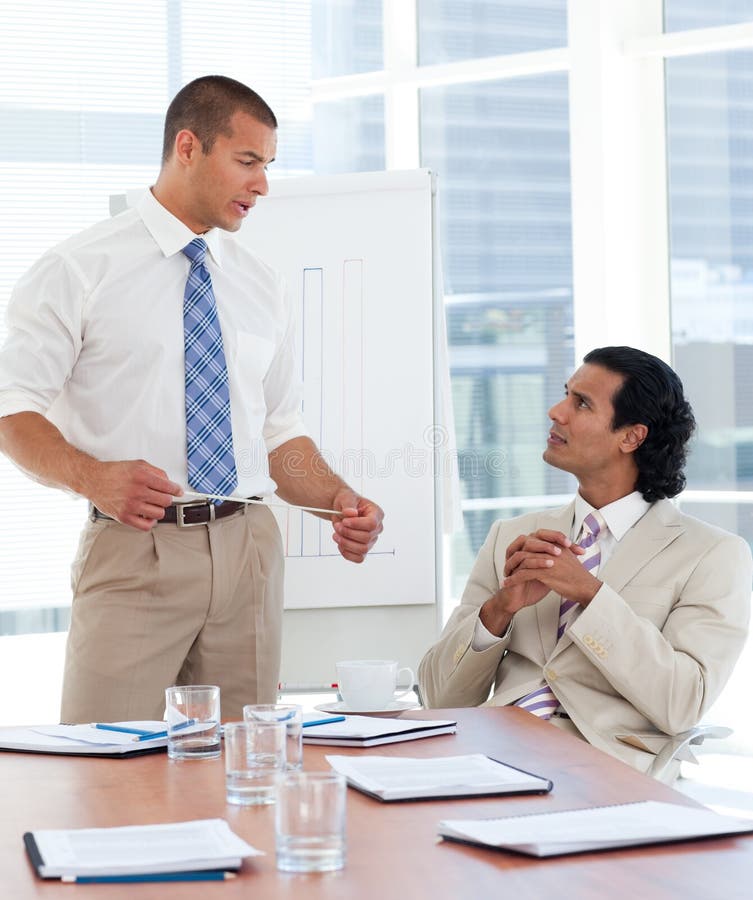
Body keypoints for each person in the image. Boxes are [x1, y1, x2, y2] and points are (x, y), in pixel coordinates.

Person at [0, 75, 384, 723]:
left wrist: (337, 497)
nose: (262, 184)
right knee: (108, 774)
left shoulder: (258, 284)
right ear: (187, 147)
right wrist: (94, 477)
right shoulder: (78, 269)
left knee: (244, 769)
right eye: (247, 161)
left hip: (247, 553)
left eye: (267, 165)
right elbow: (12, 412)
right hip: (135, 548)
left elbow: (279, 433)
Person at [419, 346, 751, 780]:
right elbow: (438, 700)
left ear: (631, 436)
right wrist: (499, 609)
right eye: (566, 395)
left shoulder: (711, 554)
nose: (556, 412)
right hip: (486, 756)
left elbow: (682, 704)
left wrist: (590, 595)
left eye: (581, 403)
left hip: (606, 771)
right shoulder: (511, 536)